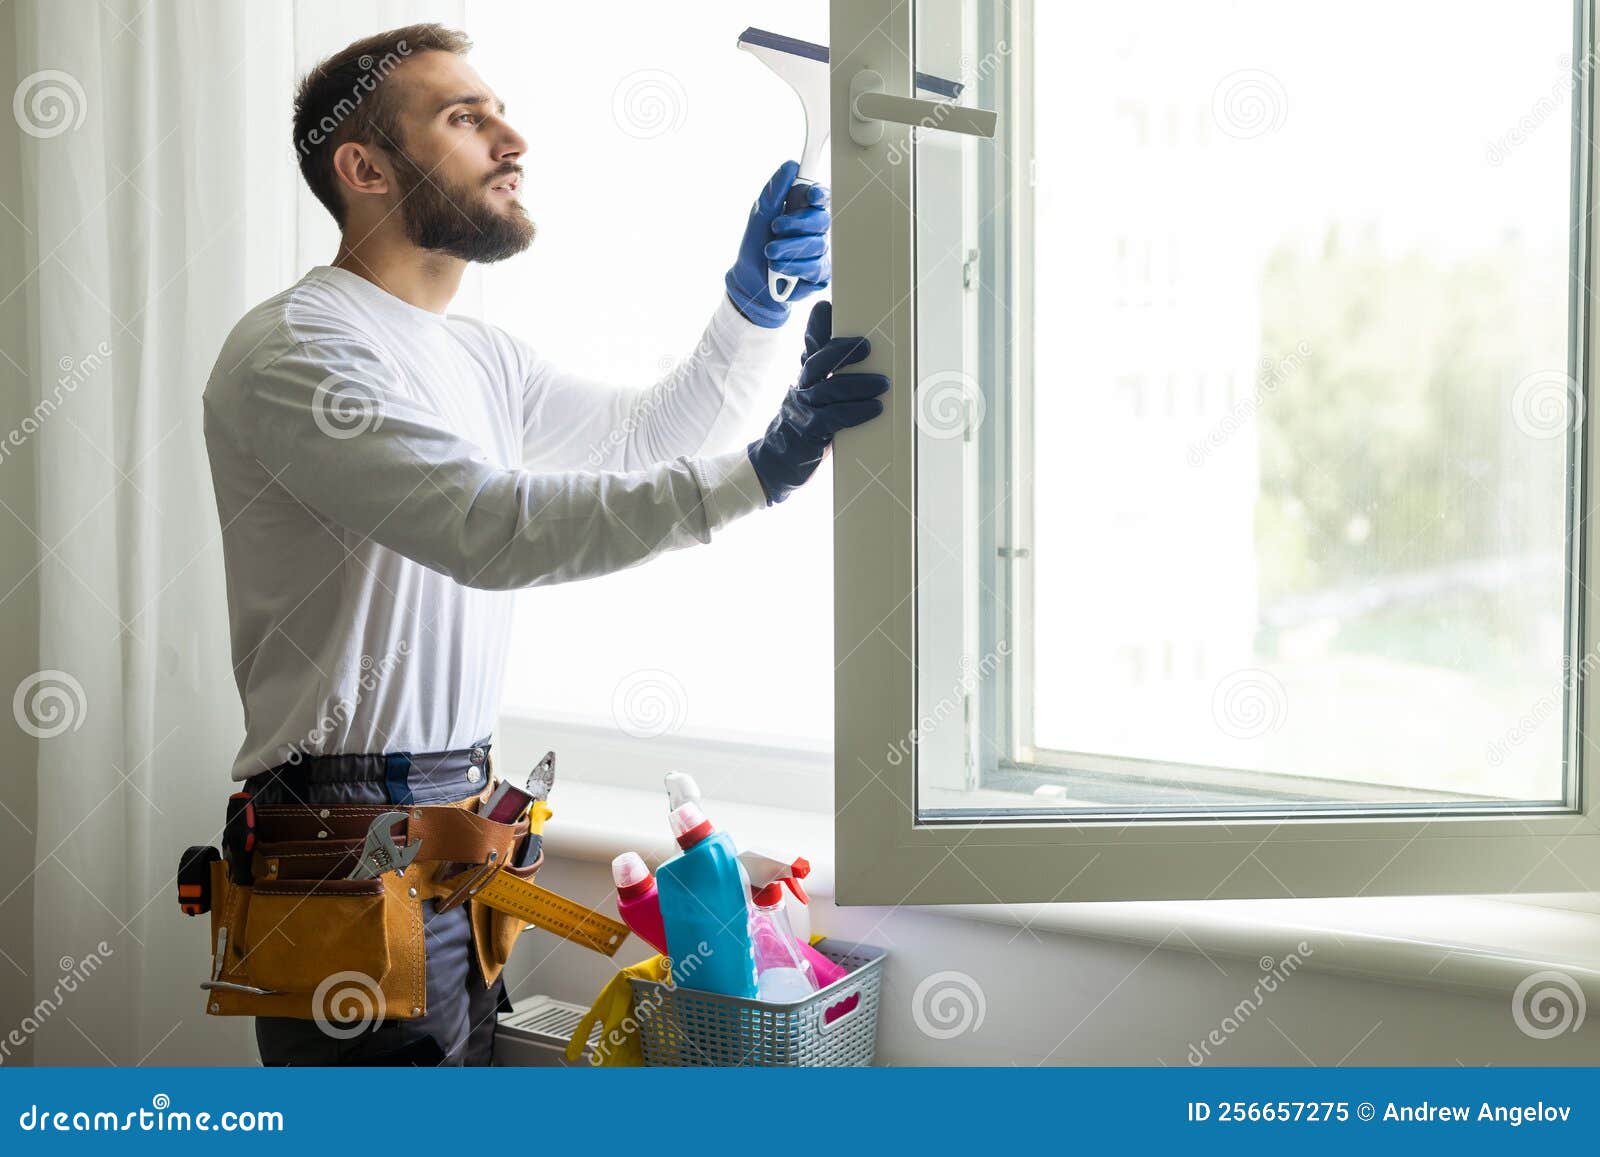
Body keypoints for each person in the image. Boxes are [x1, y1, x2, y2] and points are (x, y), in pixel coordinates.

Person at [201, 22, 887, 1066]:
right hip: (345, 869)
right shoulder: (300, 349)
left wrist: (754, 307)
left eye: (500, 111)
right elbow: (487, 527)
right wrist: (764, 469)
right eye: (464, 118)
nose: (511, 139)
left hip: (452, 859)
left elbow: (644, 440)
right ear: (365, 166)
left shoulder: (478, 357)